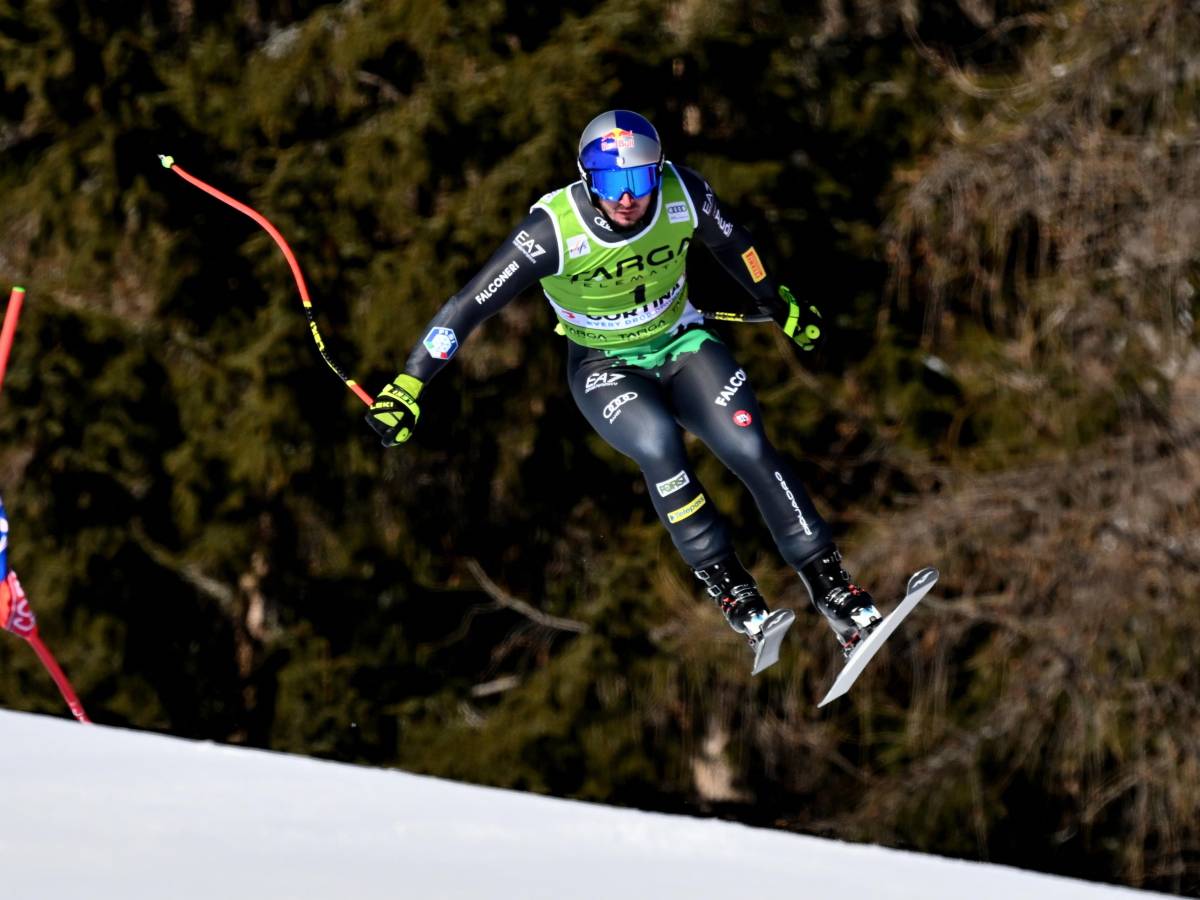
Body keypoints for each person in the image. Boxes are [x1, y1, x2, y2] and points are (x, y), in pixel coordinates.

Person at [365, 109, 881, 659]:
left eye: (639, 179)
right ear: (587, 180)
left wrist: (778, 302)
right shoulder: (553, 230)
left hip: (682, 342)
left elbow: (737, 245)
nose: (628, 197)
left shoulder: (684, 193)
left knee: (747, 443)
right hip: (604, 367)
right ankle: (733, 590)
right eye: (611, 183)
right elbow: (468, 305)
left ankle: (833, 589)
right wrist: (409, 383)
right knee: (659, 446)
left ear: (658, 172)